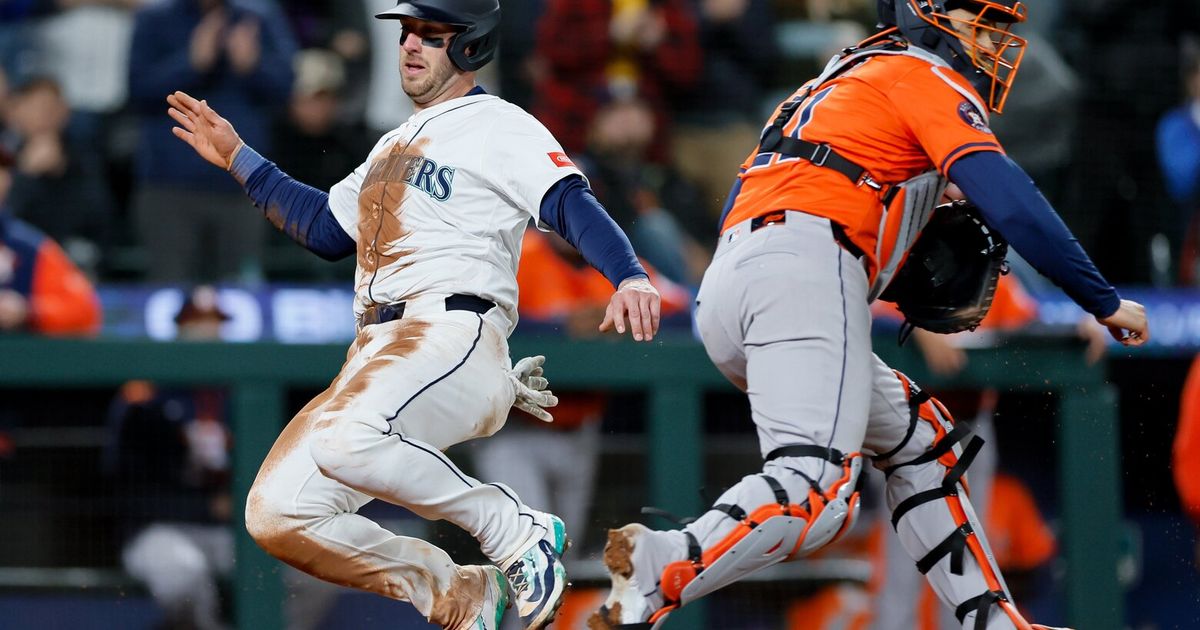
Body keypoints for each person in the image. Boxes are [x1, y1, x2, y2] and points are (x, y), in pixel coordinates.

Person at [589, 1, 1149, 629]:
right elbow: (1011, 199)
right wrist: (1102, 299)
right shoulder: (923, 71)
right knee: (818, 494)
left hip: (736, 281)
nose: (993, 39)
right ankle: (668, 562)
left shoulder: (832, 80)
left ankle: (991, 622)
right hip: (805, 267)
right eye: (979, 20)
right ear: (926, 11)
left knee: (924, 440)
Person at [163, 1, 663, 629]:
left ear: (472, 47)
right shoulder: (393, 142)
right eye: (406, 33)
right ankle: (455, 591)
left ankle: (515, 530)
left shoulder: (498, 123)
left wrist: (626, 272)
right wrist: (241, 159)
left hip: (450, 329)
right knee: (276, 513)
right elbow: (324, 228)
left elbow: (567, 201)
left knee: (345, 438)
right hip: (376, 354)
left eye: (432, 34)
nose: (410, 45)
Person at [127, 0, 296, 283]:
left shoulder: (258, 17)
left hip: (243, 188)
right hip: (170, 188)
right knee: (170, 291)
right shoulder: (154, 18)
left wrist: (254, 66)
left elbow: (287, 87)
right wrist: (190, 62)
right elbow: (136, 92)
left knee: (241, 298)